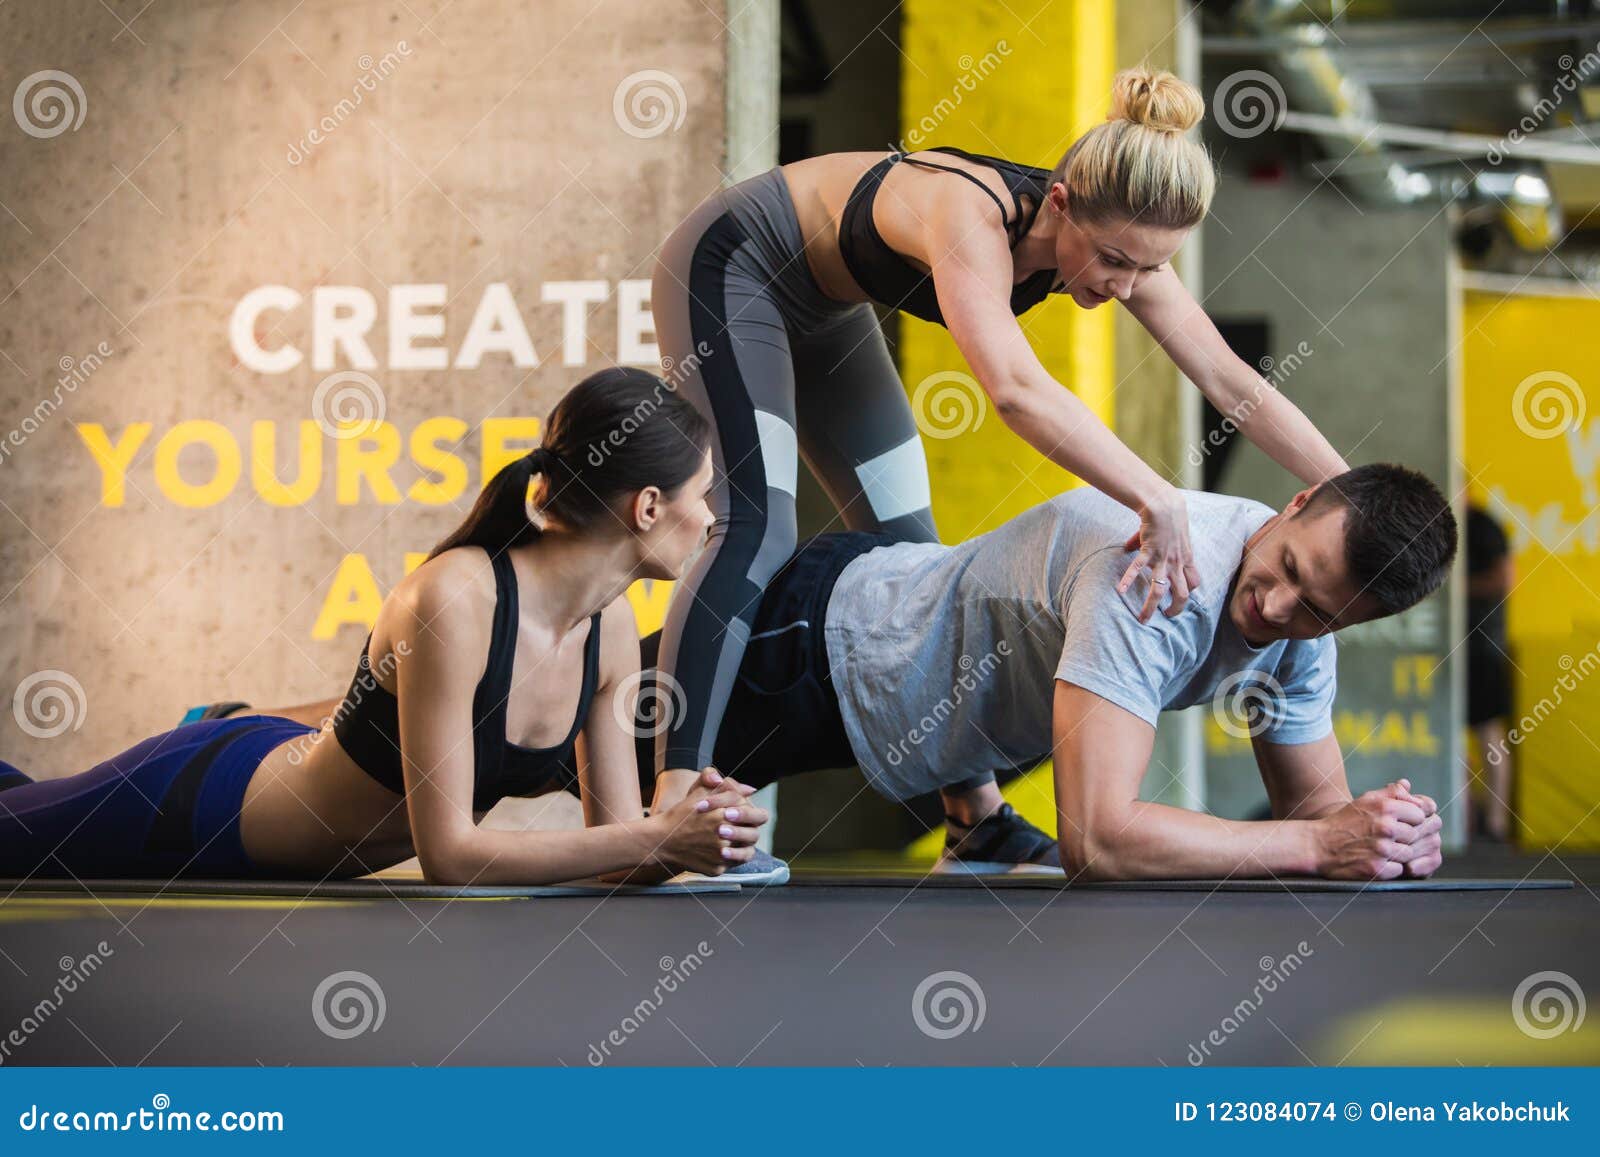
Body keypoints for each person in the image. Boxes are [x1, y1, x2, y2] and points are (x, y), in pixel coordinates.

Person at [647, 65, 1351, 856]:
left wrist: (1351, 495)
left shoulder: (1125, 246)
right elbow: (1015, 390)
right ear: (1062, 203)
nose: (1127, 286)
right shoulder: (970, 213)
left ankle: (974, 820)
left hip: (826, 308)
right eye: (1115, 260)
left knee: (910, 550)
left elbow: (1230, 380)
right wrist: (1156, 497)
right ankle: (673, 797)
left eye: (1149, 268)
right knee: (756, 525)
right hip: (737, 265)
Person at [0, 369, 767, 886]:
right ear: (647, 506)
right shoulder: (456, 597)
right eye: (704, 493)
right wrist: (659, 837)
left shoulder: (611, 630)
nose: (712, 518)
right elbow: (449, 856)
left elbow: (617, 853)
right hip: (206, 802)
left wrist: (697, 827)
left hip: (282, 783)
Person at [633, 464, 1458, 880]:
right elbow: (1099, 839)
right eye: (1288, 568)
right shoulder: (1157, 580)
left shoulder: (1303, 635)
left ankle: (980, 822)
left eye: (1317, 611)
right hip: (816, 642)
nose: (1276, 608)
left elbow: (1320, 818)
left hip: (911, 703)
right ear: (1298, 501)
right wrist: (1321, 841)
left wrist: (1383, 836)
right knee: (577, 746)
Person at [1464, 504, 1515, 842]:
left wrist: (1457, 589)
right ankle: (1464, 818)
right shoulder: (1433, 525)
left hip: (1483, 647)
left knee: (1489, 731)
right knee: (1447, 736)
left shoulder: (1482, 526)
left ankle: (1496, 821)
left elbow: (1505, 579)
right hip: (1447, 652)